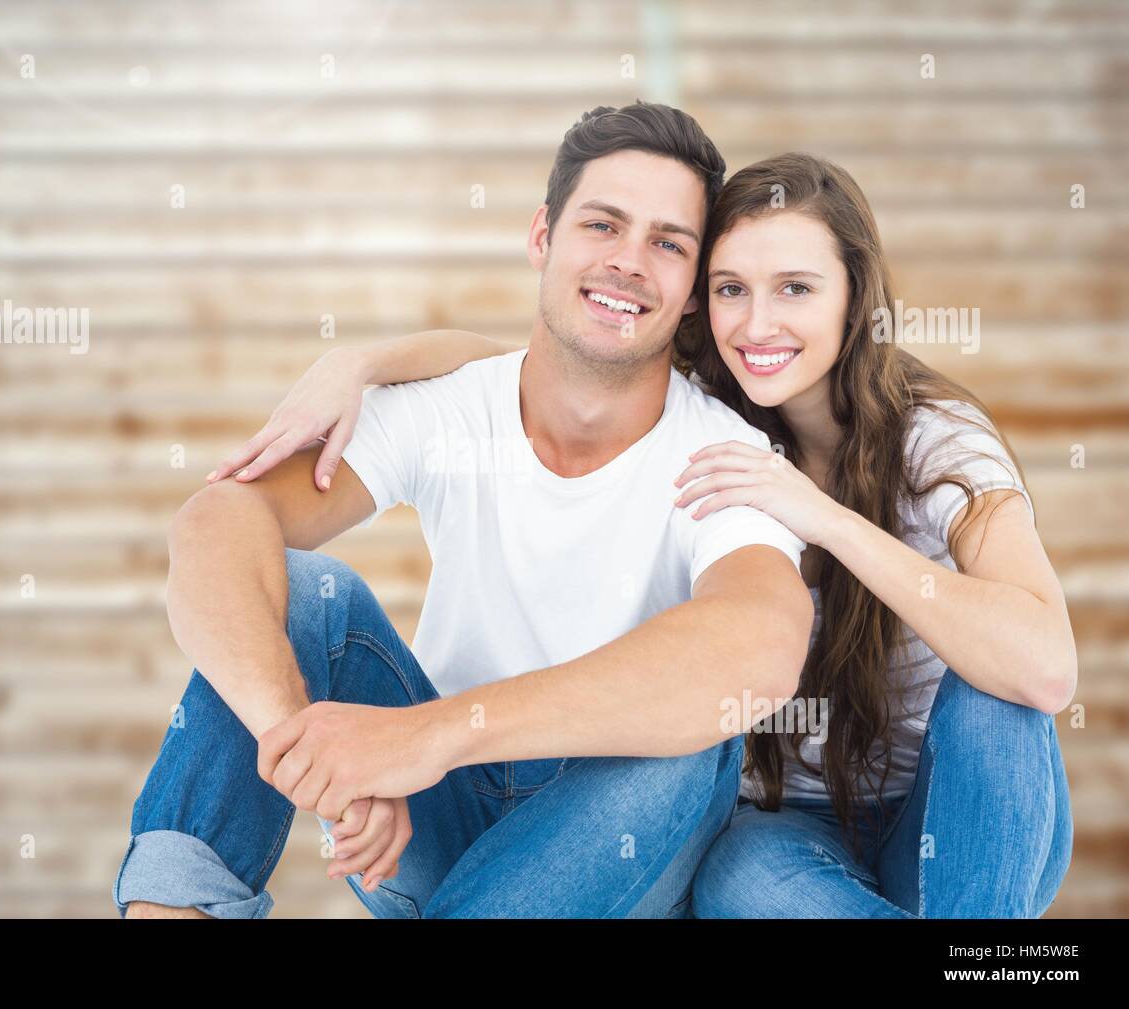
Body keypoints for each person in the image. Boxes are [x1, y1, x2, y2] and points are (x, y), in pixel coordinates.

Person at [237, 152, 1077, 918]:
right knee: (738, 884)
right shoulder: (710, 408)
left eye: (796, 288)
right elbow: (521, 363)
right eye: (729, 288)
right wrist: (364, 362)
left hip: (963, 814)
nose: (757, 323)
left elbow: (1044, 667)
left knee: (996, 693)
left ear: (855, 296)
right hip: (788, 822)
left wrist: (825, 518)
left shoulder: (937, 439)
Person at [113, 101, 815, 919]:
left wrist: (430, 735)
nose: (629, 261)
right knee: (310, 594)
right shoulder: (451, 408)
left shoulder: (722, 454)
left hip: (607, 845)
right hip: (434, 821)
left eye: (667, 243)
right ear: (541, 238)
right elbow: (216, 525)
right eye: (603, 225)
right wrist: (307, 742)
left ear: (693, 292)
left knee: (694, 737)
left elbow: (760, 644)